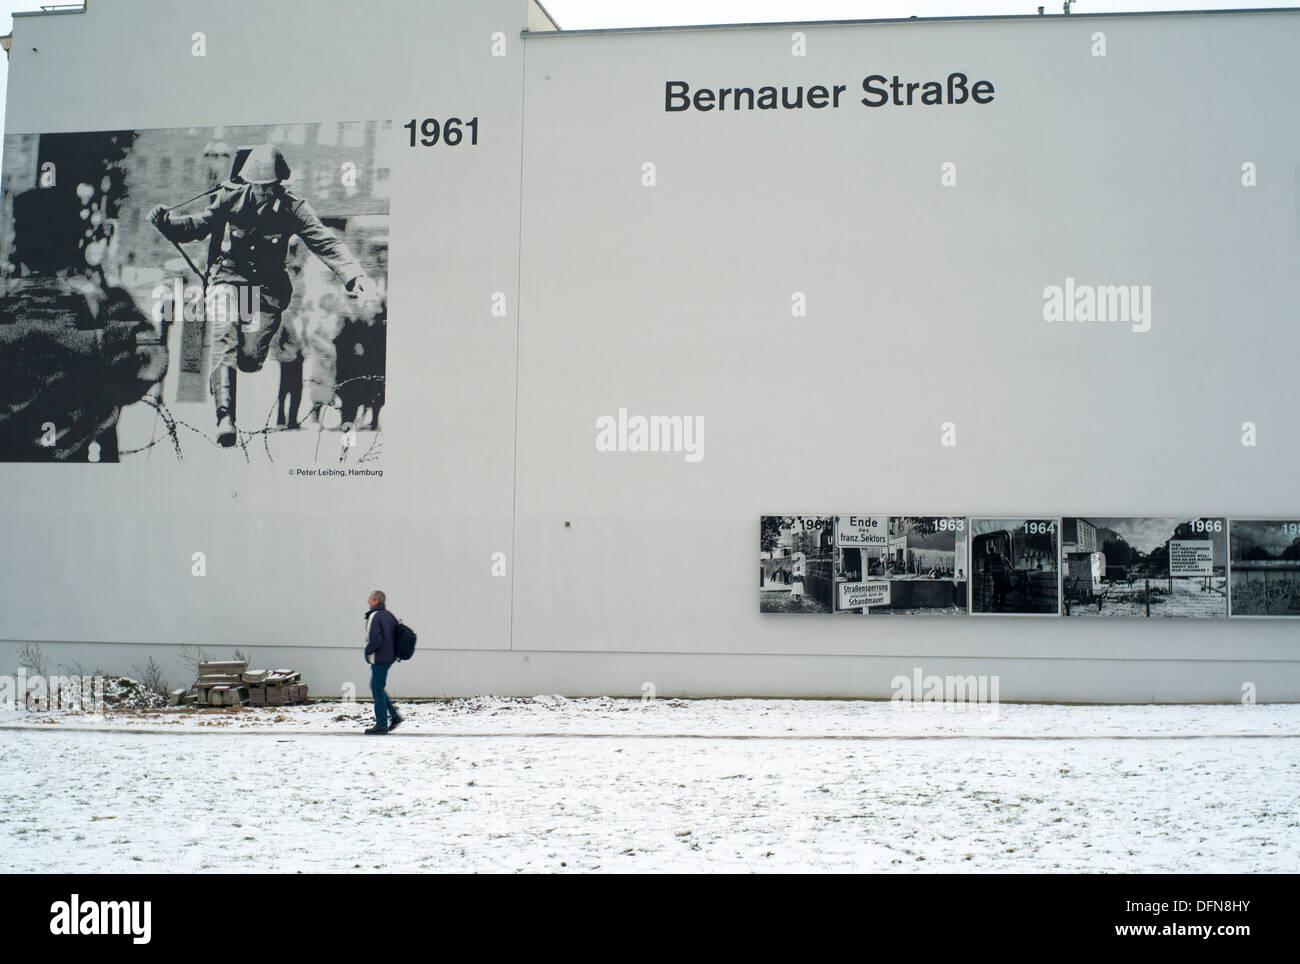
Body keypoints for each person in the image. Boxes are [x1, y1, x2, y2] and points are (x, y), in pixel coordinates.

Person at [148, 144, 371, 447]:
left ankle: (247, 357)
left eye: (269, 187)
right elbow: (198, 226)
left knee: (250, 358)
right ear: (248, 181)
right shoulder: (231, 196)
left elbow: (324, 240)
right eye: (257, 185)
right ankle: (225, 418)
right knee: (222, 336)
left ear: (279, 183)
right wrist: (166, 222)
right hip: (229, 279)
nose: (262, 192)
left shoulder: (292, 206)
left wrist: (353, 273)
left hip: (265, 291)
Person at [363, 589, 402, 735]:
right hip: (389, 656)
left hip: (379, 657)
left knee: (376, 689)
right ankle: (395, 716)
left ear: (376, 601)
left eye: (370, 599)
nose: (368, 601)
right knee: (377, 687)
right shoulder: (389, 615)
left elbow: (375, 639)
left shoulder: (375, 616)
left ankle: (381, 724)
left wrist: (367, 651)